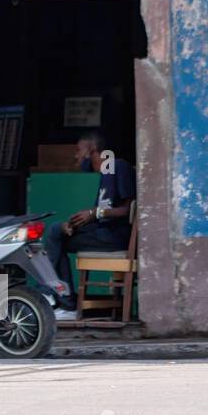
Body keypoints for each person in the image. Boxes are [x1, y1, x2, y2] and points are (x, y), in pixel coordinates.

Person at [43, 130, 135, 320]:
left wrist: (94, 213)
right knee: (57, 234)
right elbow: (103, 213)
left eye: (78, 150)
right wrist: (76, 223)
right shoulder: (106, 173)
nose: (76, 157)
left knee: (54, 234)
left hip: (115, 237)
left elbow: (127, 210)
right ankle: (63, 301)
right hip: (104, 232)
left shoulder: (117, 166)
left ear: (92, 149)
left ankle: (54, 297)